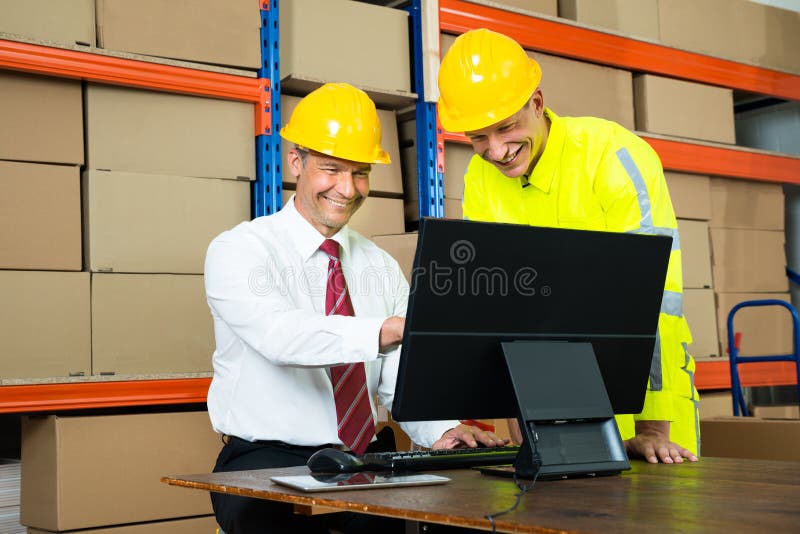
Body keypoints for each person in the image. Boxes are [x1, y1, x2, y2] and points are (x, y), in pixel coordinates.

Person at [204, 82, 507, 534]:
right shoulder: (240, 251)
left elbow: (398, 377)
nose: (347, 189)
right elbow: (280, 337)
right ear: (296, 162)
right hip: (265, 455)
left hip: (364, 454)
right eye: (331, 170)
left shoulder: (379, 266)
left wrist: (441, 431)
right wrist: (383, 330)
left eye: (360, 172)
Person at [437, 28, 700, 465]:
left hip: (648, 401)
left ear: (537, 103)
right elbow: (501, 309)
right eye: (478, 137)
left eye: (505, 128)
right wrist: (522, 423)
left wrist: (652, 427)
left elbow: (657, 299)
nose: (497, 151)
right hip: (548, 398)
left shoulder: (612, 156)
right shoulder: (479, 180)